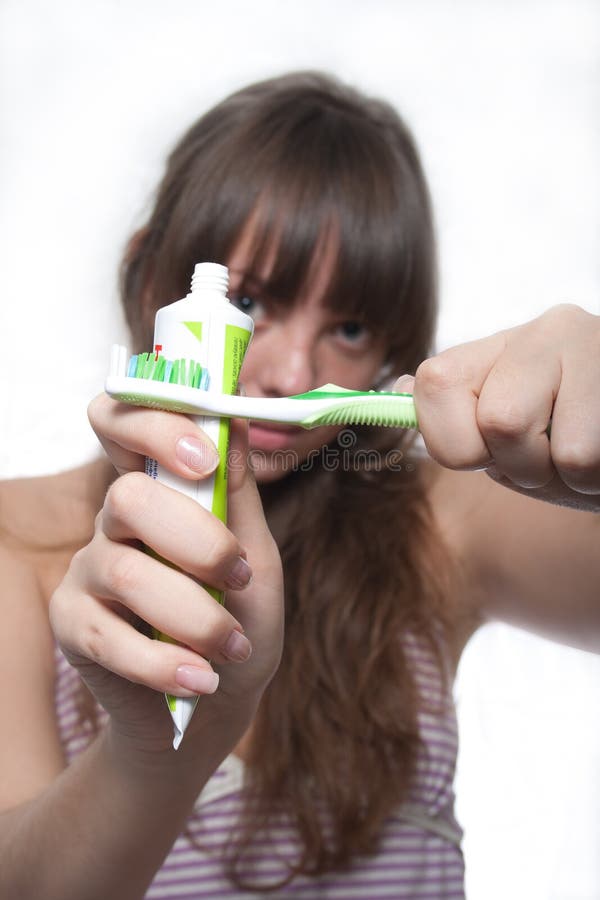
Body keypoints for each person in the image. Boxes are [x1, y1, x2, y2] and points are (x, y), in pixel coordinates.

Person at [1, 70, 599, 900]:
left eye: (348, 326)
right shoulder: (14, 542)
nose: (289, 374)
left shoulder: (439, 522)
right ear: (150, 282)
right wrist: (156, 755)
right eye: (249, 302)